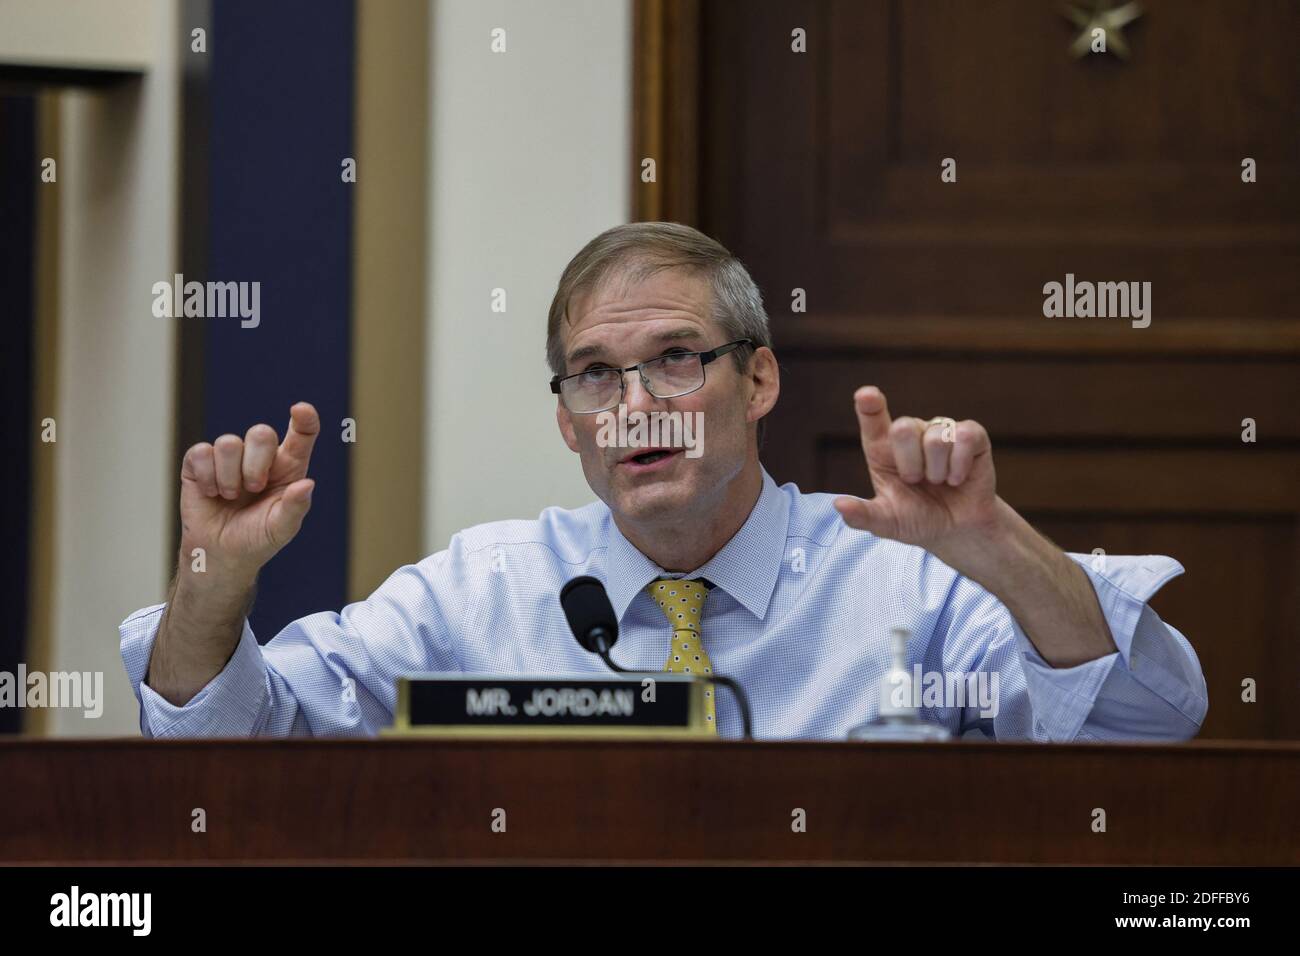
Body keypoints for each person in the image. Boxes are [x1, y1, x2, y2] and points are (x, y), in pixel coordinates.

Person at [120, 222, 1208, 739]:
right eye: (595, 374)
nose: (633, 402)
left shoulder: (907, 587)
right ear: (565, 420)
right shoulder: (479, 592)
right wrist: (213, 574)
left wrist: (994, 545)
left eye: (675, 358)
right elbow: (220, 749)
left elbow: (1149, 717)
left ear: (760, 377)